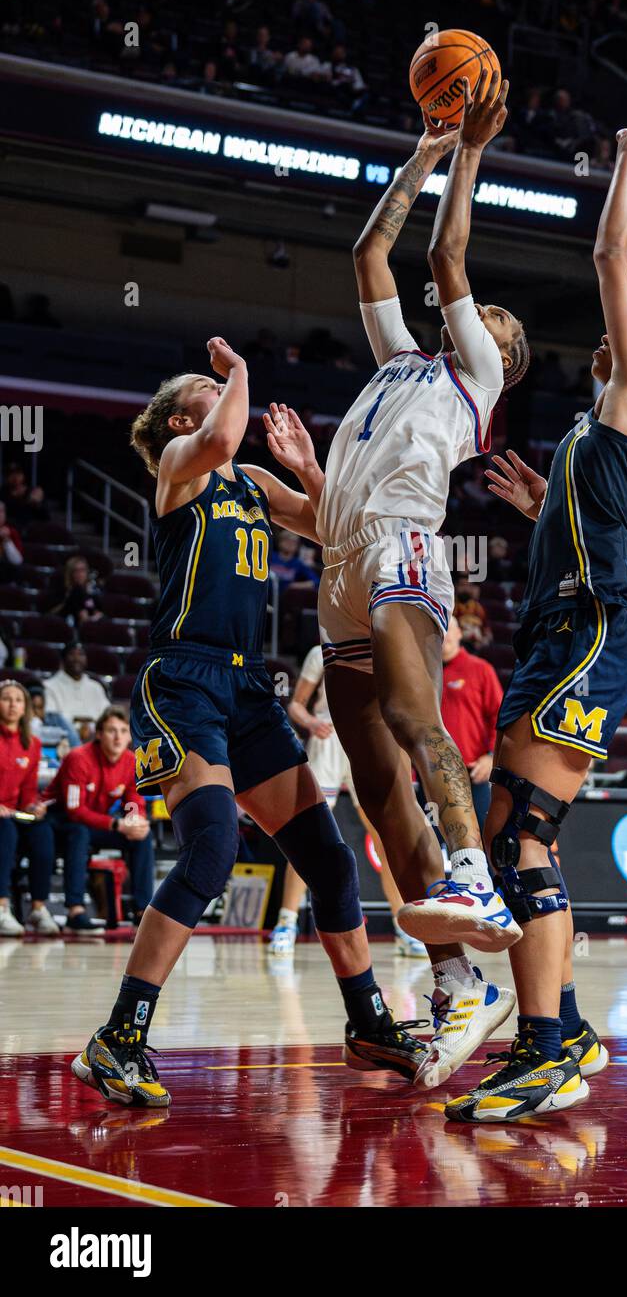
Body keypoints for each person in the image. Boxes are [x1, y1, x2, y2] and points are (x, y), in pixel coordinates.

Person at [442, 121, 627, 1123]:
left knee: (521, 835)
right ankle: (563, 1024)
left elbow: (612, 255)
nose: (615, 331)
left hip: (589, 638)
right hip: (572, 628)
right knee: (501, 829)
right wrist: (542, 515)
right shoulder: (596, 436)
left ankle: (545, 1047)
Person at [71, 337, 426, 1111]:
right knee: (213, 847)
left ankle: (368, 1021)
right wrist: (238, 372)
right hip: (183, 680)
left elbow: (340, 530)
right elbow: (225, 435)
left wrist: (306, 467)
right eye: (202, 383)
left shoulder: (257, 484)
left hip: (248, 689)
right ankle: (120, 1036)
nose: (220, 386)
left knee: (331, 865)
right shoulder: (180, 469)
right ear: (175, 422)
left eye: (218, 379)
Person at [268, 75, 527, 1091]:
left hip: (400, 543)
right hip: (336, 560)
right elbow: (371, 252)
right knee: (375, 790)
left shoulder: (475, 374)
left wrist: (468, 150)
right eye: (481, 312)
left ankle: (475, 881)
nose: (480, 311)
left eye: (494, 317)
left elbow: (442, 255)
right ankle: (457, 978)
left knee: (420, 719)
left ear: (499, 354)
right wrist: (417, 154)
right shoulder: (400, 361)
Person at [273, 642, 426, 958]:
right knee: (309, 838)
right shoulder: (320, 652)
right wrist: (313, 723)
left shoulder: (387, 647)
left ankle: (404, 927)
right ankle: (286, 924)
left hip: (369, 740)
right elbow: (296, 705)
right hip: (328, 742)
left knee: (385, 840)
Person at [46, 707, 154, 934]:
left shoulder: (131, 761)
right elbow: (75, 811)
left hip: (97, 822)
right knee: (79, 832)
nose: (118, 737)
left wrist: (135, 819)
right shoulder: (79, 758)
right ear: (99, 734)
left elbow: (134, 800)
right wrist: (116, 824)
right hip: (58, 820)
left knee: (143, 837)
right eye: (111, 730)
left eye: (123, 731)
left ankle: (143, 911)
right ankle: (75, 910)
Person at [0, 680, 58, 937]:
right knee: (5, 831)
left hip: (14, 813)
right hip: (2, 819)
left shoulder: (32, 744)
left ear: (25, 708)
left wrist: (34, 806)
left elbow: (26, 791)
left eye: (18, 700)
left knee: (42, 831)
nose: (13, 705)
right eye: (6, 698)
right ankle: (1, 907)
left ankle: (38, 908)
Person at [439, 616, 503, 827]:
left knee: (482, 836)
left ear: (459, 633)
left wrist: (491, 756)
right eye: (438, 630)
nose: (443, 635)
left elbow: (500, 715)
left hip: (472, 773)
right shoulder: (423, 673)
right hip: (432, 772)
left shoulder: (481, 669)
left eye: (448, 629)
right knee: (432, 842)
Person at [43, 644, 110, 734]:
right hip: (65, 739)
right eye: (72, 654)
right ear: (63, 660)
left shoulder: (96, 687)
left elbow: (108, 715)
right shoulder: (49, 686)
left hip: (98, 738)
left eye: (81, 654)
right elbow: (52, 720)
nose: (77, 659)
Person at [45, 554, 104, 626]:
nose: (80, 574)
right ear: (70, 573)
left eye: (82, 570)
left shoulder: (92, 591)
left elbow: (98, 611)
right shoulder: (62, 590)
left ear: (87, 571)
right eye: (76, 571)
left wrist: (95, 616)